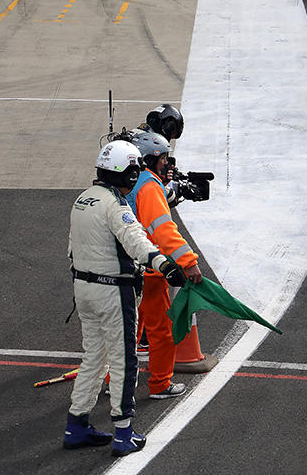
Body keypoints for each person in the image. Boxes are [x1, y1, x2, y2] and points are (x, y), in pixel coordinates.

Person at [64, 140, 187, 457]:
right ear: (127, 172)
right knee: (124, 360)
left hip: (83, 289)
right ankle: (123, 433)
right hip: (113, 292)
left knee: (93, 357)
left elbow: (71, 249)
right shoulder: (115, 205)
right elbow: (137, 242)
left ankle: (76, 425)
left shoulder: (83, 200)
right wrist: (165, 265)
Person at [126, 131, 203, 400]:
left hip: (126, 267)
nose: (167, 164)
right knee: (161, 331)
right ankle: (160, 384)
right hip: (150, 269)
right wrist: (189, 262)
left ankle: (116, 382)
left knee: (128, 330)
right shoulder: (148, 186)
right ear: (150, 159)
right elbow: (163, 229)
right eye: (163, 158)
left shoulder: (130, 182)